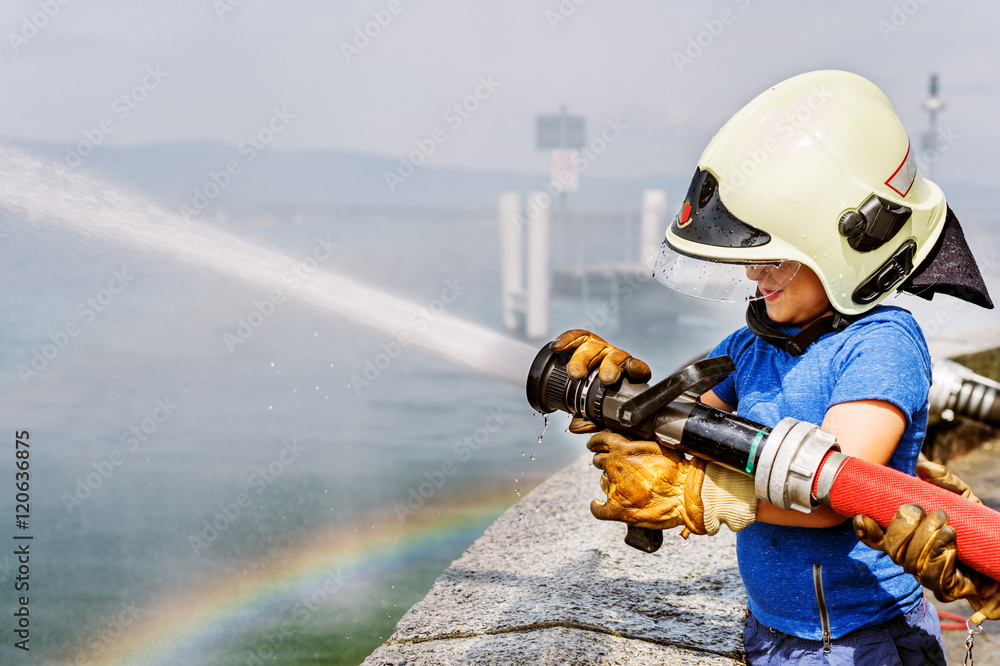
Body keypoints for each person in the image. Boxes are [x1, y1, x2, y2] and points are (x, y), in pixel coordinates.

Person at [554, 70, 993, 664]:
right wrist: (612, 391)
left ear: (851, 249)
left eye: (774, 261)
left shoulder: (882, 345)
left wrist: (705, 495)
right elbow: (677, 423)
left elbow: (838, 485)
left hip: (863, 638)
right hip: (772, 627)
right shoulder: (748, 345)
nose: (752, 276)